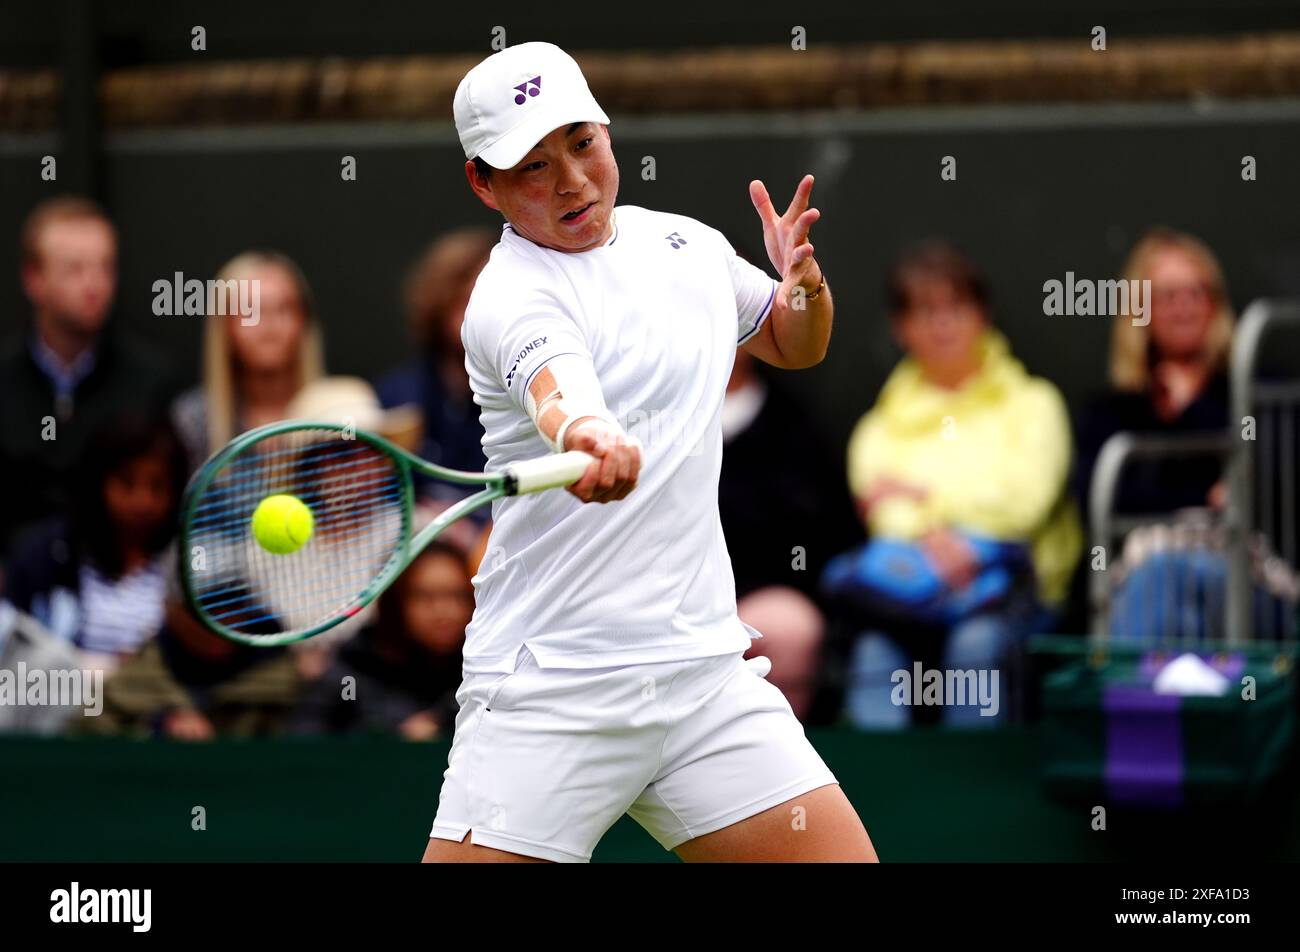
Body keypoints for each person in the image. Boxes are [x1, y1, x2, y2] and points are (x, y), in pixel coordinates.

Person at [422, 42, 875, 864]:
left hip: (701, 677)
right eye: (533, 167)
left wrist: (803, 287)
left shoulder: (685, 246)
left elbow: (791, 341)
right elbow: (558, 389)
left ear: (606, 130)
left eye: (582, 143)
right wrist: (586, 436)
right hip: (554, 686)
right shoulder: (509, 297)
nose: (572, 181)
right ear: (483, 185)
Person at [840, 241, 1081, 729]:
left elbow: (1025, 504)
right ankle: (872, 784)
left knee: (976, 644)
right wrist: (940, 534)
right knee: (873, 653)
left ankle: (976, 779)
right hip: (908, 602)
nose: (943, 324)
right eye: (926, 311)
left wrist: (924, 502)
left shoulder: (1035, 404)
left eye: (957, 307)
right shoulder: (876, 428)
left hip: (1016, 600)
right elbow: (883, 517)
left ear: (982, 315)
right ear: (901, 328)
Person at [0, 196, 176, 551]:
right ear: (33, 278)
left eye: (105, 268)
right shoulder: (5, 382)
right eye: (75, 269)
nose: (94, 285)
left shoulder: (153, 384)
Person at [721, 345, 859, 722]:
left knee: (789, 628)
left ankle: (774, 750)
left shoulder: (791, 422)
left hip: (763, 593)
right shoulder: (657, 417)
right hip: (672, 598)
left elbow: (823, 530)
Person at [4, 407, 189, 674]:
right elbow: (15, 650)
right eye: (127, 483)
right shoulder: (47, 554)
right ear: (99, 481)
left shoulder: (190, 561)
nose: (142, 501)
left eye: (157, 486)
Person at [1074, 228, 1236, 522]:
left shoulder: (1254, 396)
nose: (1184, 307)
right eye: (1168, 296)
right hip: (1145, 550)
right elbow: (1100, 503)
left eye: (1197, 292)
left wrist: (1196, 409)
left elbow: (1272, 485)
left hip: (1239, 549)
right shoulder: (1109, 415)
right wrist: (1201, 498)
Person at [288, 542, 472, 739]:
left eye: (457, 596)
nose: (443, 612)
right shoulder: (352, 671)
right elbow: (304, 739)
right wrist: (391, 738)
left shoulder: (481, 671)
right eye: (424, 597)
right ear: (396, 602)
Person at [171, 250, 325, 474]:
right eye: (250, 310)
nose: (269, 324)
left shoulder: (339, 416)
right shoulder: (190, 424)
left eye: (283, 308)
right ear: (224, 326)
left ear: (304, 321)